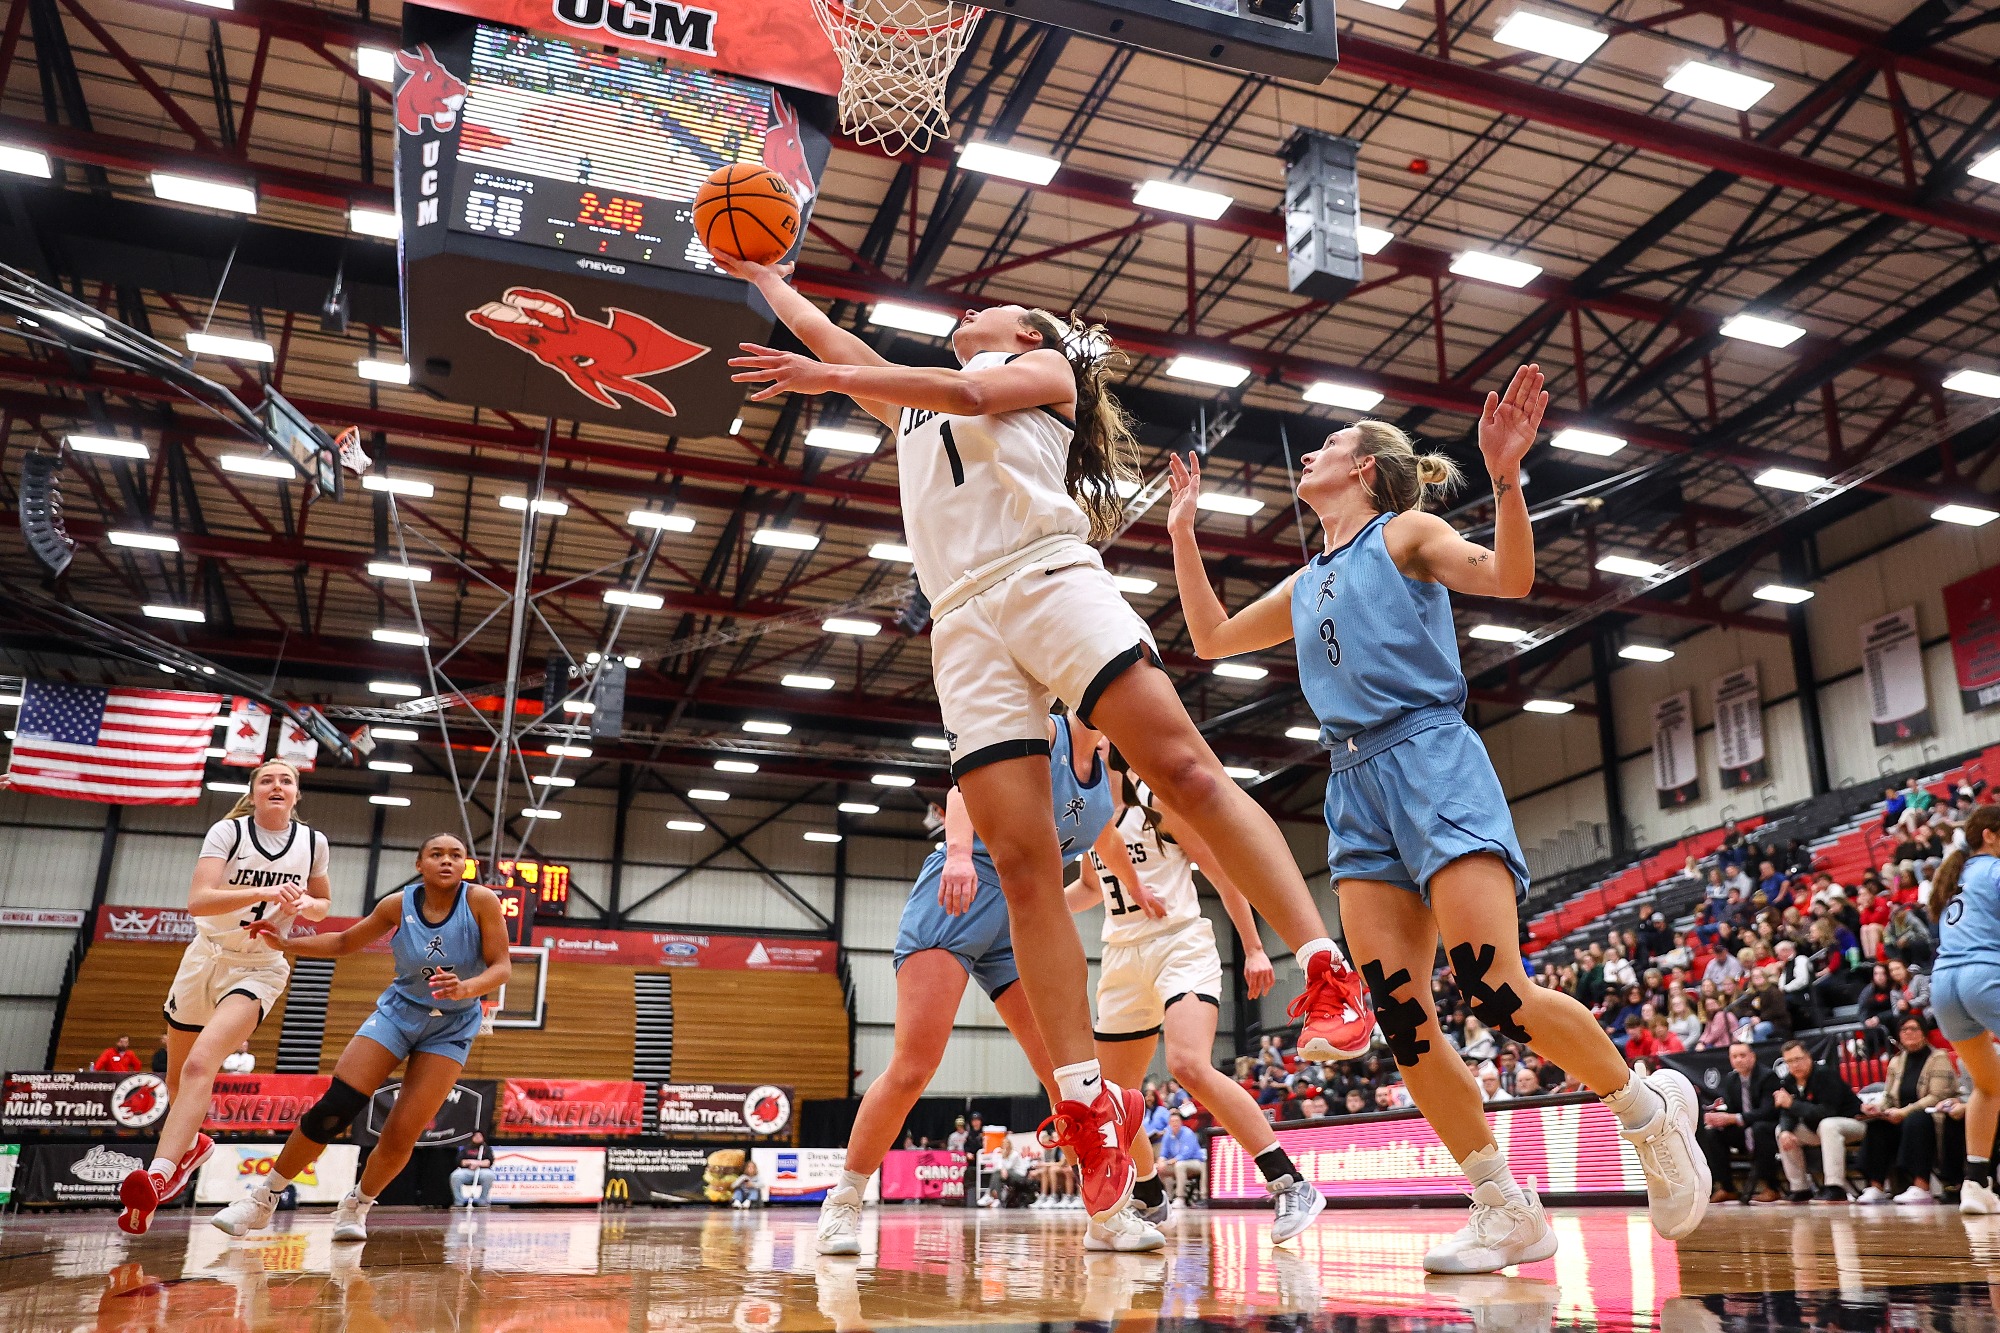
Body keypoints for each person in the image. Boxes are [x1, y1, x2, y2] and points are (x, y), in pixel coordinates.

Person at [724, 258, 1375, 1225]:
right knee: (1024, 863)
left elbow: (962, 389)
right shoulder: (907, 410)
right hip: (960, 622)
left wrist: (839, 381)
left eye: (987, 306)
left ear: (1029, 334)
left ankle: (1324, 962)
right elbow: (838, 343)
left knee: (1185, 769)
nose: (967, 308)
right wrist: (765, 275)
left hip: (1046, 577)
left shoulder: (1044, 375)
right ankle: (1084, 1101)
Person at [1163, 365, 1706, 1276]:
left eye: (1332, 441)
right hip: (1353, 786)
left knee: (1492, 985)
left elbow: (1511, 574)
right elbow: (1212, 638)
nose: (1315, 450)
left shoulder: (1405, 531)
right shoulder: (1306, 584)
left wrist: (1505, 476)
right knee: (1405, 1018)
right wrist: (1183, 534)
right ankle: (1502, 1205)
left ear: (1367, 470)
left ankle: (1648, 1114)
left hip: (1430, 757)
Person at [816, 713, 1162, 1256]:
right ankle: (843, 1202)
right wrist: (957, 854)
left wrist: (1138, 889)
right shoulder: (1046, 732)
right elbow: (963, 790)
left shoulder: (1108, 781)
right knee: (913, 1066)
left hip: (1022, 916)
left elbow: (1105, 841)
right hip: (960, 893)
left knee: (1067, 1080)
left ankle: (1107, 1216)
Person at [209, 831, 510, 1242]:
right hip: (399, 1013)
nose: (446, 861)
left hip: (452, 1025)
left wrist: (468, 987)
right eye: (435, 853)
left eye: (456, 855)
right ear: (419, 864)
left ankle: (358, 1204)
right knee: (336, 1106)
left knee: (403, 1131)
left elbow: (502, 965)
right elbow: (346, 941)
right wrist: (286, 942)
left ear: (465, 865)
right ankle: (263, 1199)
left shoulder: (480, 902)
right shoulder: (397, 904)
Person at [1071, 768, 1324, 1242]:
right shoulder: (1087, 820)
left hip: (1180, 945)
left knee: (1187, 1063)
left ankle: (1289, 1182)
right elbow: (1089, 888)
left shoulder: (1159, 805)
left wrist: (1252, 947)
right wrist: (1028, 908)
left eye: (1099, 746)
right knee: (1111, 1096)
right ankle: (1146, 1195)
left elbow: (1220, 872)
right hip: (1123, 957)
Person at [117, 759, 330, 1235]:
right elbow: (199, 900)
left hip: (258, 966)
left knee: (200, 1066)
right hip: (204, 958)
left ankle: (158, 1176)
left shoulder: (313, 842)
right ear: (254, 794)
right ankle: (192, 1147)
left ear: (297, 795)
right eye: (267, 780)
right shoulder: (228, 833)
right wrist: (267, 889)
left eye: (287, 781)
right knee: (177, 1081)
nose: (277, 786)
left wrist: (302, 905)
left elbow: (321, 907)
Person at [1923, 803, 2000, 1214]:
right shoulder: (1995, 870)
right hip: (1983, 976)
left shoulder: (1953, 877)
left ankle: (1975, 1184)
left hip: (1944, 987)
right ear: (1989, 834)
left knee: (1989, 1086)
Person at [1858, 1015, 1956, 1205]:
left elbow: (1936, 1097)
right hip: (1899, 1115)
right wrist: (1878, 1109)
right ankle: (1876, 1186)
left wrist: (1904, 1112)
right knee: (1877, 1124)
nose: (1908, 1033)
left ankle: (1921, 1186)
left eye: (1914, 1029)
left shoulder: (1939, 1057)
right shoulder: (1896, 1061)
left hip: (1931, 1115)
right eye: (1904, 1030)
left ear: (1924, 1034)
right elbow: (1888, 1096)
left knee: (1916, 1120)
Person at [1774, 1040, 1865, 1203]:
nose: (1794, 1065)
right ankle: (1800, 1188)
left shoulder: (1824, 1074)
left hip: (1853, 1123)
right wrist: (1786, 1130)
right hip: (1819, 1130)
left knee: (1828, 1124)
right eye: (1789, 1061)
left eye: (1798, 1059)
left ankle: (1835, 1187)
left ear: (1808, 1057)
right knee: (1781, 1132)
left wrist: (1792, 1104)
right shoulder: (1789, 1081)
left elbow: (1827, 1112)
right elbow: (1787, 1113)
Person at [1698, 1042, 1784, 1204]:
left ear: (1752, 1056)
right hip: (1744, 1129)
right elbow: (1731, 1110)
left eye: (1742, 1055)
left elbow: (1768, 1111)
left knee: (1760, 1129)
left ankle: (1771, 1187)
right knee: (1712, 1133)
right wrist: (1718, 1119)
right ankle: (1727, 1187)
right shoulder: (1731, 1079)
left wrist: (1734, 1118)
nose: (1738, 1060)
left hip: (1768, 1127)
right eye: (1734, 1056)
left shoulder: (1767, 1076)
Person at [1156, 1109, 1206, 1203]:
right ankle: (1168, 1198)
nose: (1175, 1124)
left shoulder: (1188, 1133)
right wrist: (1160, 1161)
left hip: (1196, 1162)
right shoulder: (1168, 1134)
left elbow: (1185, 1155)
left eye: (1177, 1121)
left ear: (1181, 1122)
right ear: (1169, 1123)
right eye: (1172, 1121)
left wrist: (1167, 1162)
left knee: (1180, 1165)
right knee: (1159, 1168)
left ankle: (1180, 1197)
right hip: (1177, 1162)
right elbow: (1163, 1153)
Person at [452, 1131, 494, 1208]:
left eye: (480, 1136)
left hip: (482, 1171)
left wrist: (477, 1164)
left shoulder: (486, 1149)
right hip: (467, 1171)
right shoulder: (466, 1148)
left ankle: (482, 1202)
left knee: (489, 1175)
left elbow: (488, 1162)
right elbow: (461, 1161)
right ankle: (459, 1202)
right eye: (476, 1136)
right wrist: (471, 1163)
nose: (478, 1137)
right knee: (455, 1175)